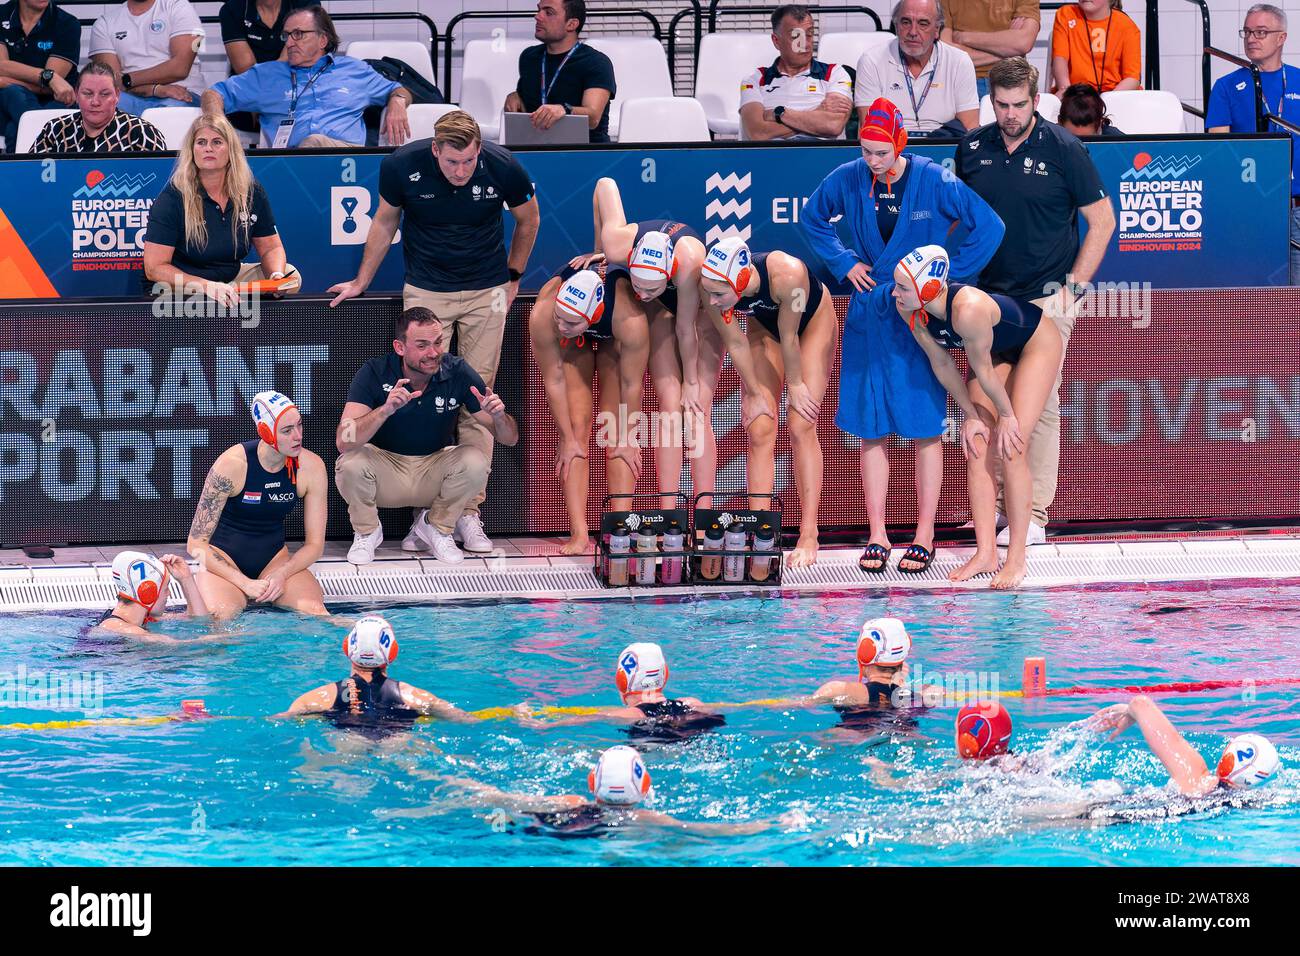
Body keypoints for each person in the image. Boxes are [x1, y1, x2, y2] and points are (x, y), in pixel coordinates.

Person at [801, 97, 1003, 575]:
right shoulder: (848, 176)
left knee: (923, 428)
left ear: (900, 144)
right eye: (866, 151)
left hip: (916, 316)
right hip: (870, 316)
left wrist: (946, 281)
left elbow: (989, 226)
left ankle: (925, 535)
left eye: (881, 153)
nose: (872, 161)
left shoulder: (933, 178)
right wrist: (845, 262)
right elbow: (813, 219)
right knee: (872, 431)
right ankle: (877, 534)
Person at [329, 111, 540, 547]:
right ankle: (424, 512)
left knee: (479, 401)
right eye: (451, 163)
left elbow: (529, 219)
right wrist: (361, 280)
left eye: (468, 162)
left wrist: (514, 274)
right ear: (435, 151)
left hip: (487, 291)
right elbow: (385, 222)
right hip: (427, 292)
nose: (461, 172)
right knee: (418, 397)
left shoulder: (503, 166)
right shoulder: (401, 166)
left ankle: (465, 513)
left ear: (478, 151)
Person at [956, 57, 1115, 545]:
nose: (1009, 113)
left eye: (1018, 104)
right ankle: (999, 506)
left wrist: (1072, 292)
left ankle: (1035, 514)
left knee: (1038, 403)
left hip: (1048, 297)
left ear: (1036, 100)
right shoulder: (971, 148)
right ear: (990, 100)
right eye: (1000, 105)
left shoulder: (1066, 149)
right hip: (989, 299)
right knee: (985, 401)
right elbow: (963, 219)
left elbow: (1103, 222)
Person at [893, 245, 1062, 588]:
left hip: (1035, 343)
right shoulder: (909, 309)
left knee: (1013, 446)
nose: (895, 293)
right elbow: (942, 363)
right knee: (977, 443)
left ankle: (1016, 559)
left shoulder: (967, 309)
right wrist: (970, 415)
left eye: (903, 287)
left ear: (927, 289)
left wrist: (1007, 416)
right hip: (993, 353)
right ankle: (986, 553)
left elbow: (982, 371)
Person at [335, 307, 520, 565]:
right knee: (350, 463)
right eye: (422, 345)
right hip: (386, 471)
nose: (433, 353)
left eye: (437, 343)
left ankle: (437, 526)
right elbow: (344, 440)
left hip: (433, 470)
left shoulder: (457, 372)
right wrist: (385, 410)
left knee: (475, 460)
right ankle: (367, 532)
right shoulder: (375, 372)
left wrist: (499, 416)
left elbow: (510, 439)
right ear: (400, 347)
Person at [698, 237, 838, 567]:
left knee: (801, 422)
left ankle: (808, 533)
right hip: (767, 328)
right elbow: (735, 341)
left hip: (813, 322)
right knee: (760, 426)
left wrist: (797, 385)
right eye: (711, 293)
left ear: (742, 281)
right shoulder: (710, 286)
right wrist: (755, 393)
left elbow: (791, 337)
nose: (713, 301)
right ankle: (762, 531)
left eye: (720, 294)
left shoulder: (786, 274)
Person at [589, 176, 722, 512]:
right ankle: (670, 515)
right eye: (637, 287)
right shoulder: (620, 244)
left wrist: (692, 381)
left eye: (650, 289)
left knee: (695, 411)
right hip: (665, 311)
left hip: (701, 314)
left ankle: (704, 515)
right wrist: (599, 252)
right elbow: (605, 185)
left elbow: (686, 327)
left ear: (669, 272)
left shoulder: (689, 260)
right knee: (668, 407)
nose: (641, 295)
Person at [528, 267, 649, 555]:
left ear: (592, 316)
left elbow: (633, 385)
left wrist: (630, 437)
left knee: (617, 434)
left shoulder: (629, 319)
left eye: (569, 323)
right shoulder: (545, 314)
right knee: (575, 430)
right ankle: (579, 533)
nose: (561, 327)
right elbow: (553, 379)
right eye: (560, 318)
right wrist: (566, 437)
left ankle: (620, 527)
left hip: (613, 338)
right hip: (575, 347)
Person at [400, 745, 779, 836]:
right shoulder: (647, 820)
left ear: (592, 784)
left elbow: (496, 795)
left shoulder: (568, 802)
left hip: (548, 831)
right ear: (645, 787)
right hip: (614, 839)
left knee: (499, 817)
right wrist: (774, 822)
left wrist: (436, 775)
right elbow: (712, 832)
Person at [187, 390, 329, 621]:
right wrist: (244, 583)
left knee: (317, 616)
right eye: (287, 430)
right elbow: (195, 544)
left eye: (299, 425)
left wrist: (282, 574)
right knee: (219, 620)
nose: (297, 436)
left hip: (274, 561)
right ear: (265, 432)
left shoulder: (311, 467)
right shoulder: (232, 465)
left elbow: (315, 546)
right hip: (225, 564)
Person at [202, 4, 411, 148]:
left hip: (348, 157)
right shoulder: (267, 75)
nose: (289, 42)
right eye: (287, 35)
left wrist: (398, 103)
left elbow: (398, 90)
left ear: (322, 40)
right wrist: (216, 124)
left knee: (314, 144)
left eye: (298, 34)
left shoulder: (354, 70)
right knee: (311, 146)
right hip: (291, 163)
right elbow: (213, 94)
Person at [142, 112, 297, 304]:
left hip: (229, 279)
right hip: (184, 284)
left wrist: (275, 275)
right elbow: (154, 268)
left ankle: (243, 311)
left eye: (217, 142)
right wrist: (205, 285)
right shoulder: (173, 197)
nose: (208, 148)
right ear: (192, 150)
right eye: (201, 142)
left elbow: (271, 247)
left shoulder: (251, 192)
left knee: (291, 276)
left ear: (231, 150)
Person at [1207, 4, 1300, 285]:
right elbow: (1219, 146)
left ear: (1281, 37)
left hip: (1296, 206)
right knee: (1254, 297)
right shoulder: (1226, 86)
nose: (1251, 38)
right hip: (1251, 207)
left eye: (1261, 32)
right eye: (1247, 32)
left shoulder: (1297, 79)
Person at [277, 615, 479, 728]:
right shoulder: (415, 697)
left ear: (347, 648)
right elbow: (466, 719)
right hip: (397, 745)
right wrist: (507, 713)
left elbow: (284, 720)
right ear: (393, 653)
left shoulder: (317, 698)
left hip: (346, 745)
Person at [516, 642, 726, 743]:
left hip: (656, 754)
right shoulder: (692, 703)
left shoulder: (632, 715)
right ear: (665, 674)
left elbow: (589, 718)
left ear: (622, 680)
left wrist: (537, 722)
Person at [1089, 695, 1281, 797]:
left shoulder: (1196, 776)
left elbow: (1141, 703)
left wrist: (1128, 712)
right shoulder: (1256, 803)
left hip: (1104, 812)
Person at [854, 0, 979, 137]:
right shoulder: (871, 61)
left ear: (937, 29)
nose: (913, 32)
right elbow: (872, 130)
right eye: (906, 22)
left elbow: (969, 129)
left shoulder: (959, 61)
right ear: (896, 26)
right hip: (889, 148)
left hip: (943, 148)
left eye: (923, 24)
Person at [505, 0, 615, 144]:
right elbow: (529, 107)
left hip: (586, 152)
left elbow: (593, 118)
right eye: (539, 10)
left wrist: (564, 110)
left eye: (548, 12)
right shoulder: (529, 57)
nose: (537, 16)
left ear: (571, 24)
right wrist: (515, 96)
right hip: (537, 148)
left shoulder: (596, 62)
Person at [739, 4, 853, 141]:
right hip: (770, 156)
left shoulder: (835, 73)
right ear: (776, 41)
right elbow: (758, 133)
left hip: (819, 156)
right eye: (795, 36)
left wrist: (778, 114)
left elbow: (833, 126)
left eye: (809, 34)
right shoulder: (755, 80)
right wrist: (817, 114)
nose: (805, 44)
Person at [89, 0, 205, 115]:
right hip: (131, 96)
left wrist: (127, 80)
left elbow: (180, 68)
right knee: (102, 104)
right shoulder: (104, 23)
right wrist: (156, 90)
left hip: (181, 94)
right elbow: (112, 82)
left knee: (169, 112)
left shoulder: (179, 7)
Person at [31, 61, 167, 152]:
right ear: (77, 95)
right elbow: (29, 176)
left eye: (104, 94)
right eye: (88, 93)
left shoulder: (141, 133)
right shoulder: (55, 130)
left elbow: (162, 186)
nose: (95, 102)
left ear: (117, 96)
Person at [0, 0, 78, 153]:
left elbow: (53, 87)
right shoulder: (2, 14)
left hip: (53, 102)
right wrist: (47, 76)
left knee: (16, 126)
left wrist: (3, 81)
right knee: (13, 94)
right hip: (6, 102)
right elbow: (1, 65)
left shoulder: (67, 24)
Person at [98, 550, 210, 638]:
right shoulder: (121, 629)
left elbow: (199, 620)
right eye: (166, 588)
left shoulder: (142, 619)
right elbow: (188, 645)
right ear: (148, 593)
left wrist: (186, 579)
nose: (169, 594)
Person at [942, 0, 1039, 97]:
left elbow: (1023, 42)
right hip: (963, 80)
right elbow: (946, 52)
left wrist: (964, 38)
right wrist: (1009, 51)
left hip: (1011, 79)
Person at [1049, 0, 1140, 95]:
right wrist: (1068, 93)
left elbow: (1132, 78)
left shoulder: (1127, 26)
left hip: (1114, 94)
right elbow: (1060, 60)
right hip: (1076, 94)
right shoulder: (1066, 14)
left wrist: (1108, 100)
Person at [219, 0, 310, 74]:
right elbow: (246, 71)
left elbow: (294, 59)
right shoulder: (232, 9)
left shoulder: (306, 4)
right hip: (250, 87)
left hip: (296, 83)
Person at [1056, 81, 1124, 136]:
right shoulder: (1048, 142)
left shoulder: (1117, 141)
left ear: (1099, 126)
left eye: (1087, 139)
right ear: (1060, 123)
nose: (1080, 146)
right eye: (1071, 138)